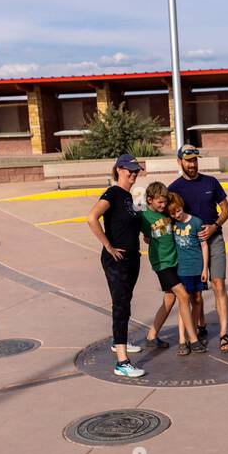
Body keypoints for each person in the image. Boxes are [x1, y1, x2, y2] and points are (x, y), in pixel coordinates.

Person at [168, 145, 228, 352]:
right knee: (194, 291)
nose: (192, 164)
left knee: (218, 283)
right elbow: (165, 215)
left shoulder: (211, 182)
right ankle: (200, 326)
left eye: (195, 160)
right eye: (188, 161)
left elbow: (226, 209)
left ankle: (224, 333)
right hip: (189, 246)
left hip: (214, 239)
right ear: (180, 162)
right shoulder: (174, 189)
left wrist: (214, 226)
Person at [88, 154, 147, 378]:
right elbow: (92, 217)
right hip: (117, 260)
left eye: (136, 171)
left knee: (126, 301)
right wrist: (108, 246)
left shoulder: (129, 197)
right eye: (130, 171)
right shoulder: (113, 193)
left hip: (132, 257)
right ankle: (122, 362)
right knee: (120, 305)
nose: (133, 175)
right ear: (119, 170)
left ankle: (118, 341)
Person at [140, 181, 205, 355]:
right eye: (159, 202)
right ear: (150, 200)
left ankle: (151, 336)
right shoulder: (144, 217)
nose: (163, 205)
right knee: (183, 296)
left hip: (176, 261)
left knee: (170, 299)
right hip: (162, 264)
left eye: (164, 202)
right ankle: (192, 339)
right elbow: (142, 234)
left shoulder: (167, 213)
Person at [168, 191, 209, 323]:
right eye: (173, 213)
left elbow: (204, 246)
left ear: (182, 206)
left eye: (178, 211)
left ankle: (194, 330)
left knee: (196, 300)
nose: (177, 215)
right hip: (181, 270)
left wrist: (204, 270)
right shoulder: (172, 224)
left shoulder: (196, 222)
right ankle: (185, 335)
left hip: (197, 268)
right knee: (184, 302)